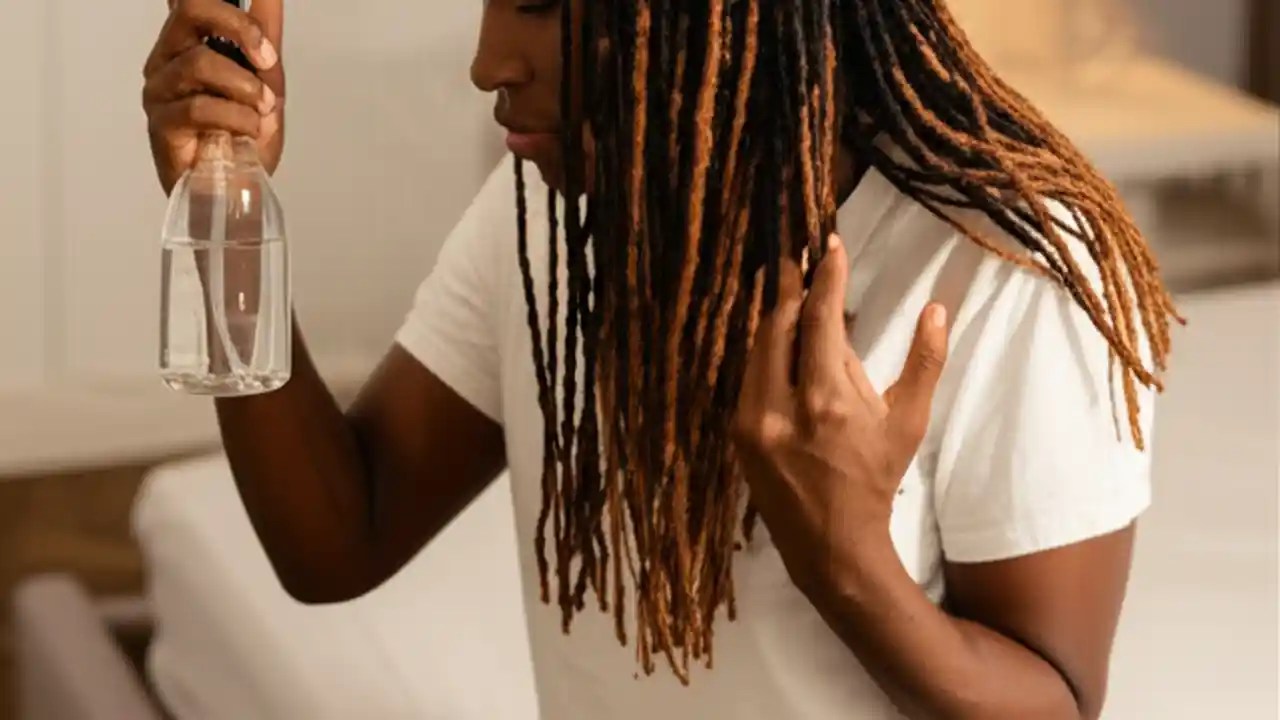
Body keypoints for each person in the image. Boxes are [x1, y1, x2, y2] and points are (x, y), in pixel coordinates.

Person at [140, 1, 1177, 718]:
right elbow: (336, 539)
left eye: (540, 5)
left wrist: (845, 559)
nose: (487, 60)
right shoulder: (546, 213)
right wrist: (224, 212)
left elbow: (1055, 701)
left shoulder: (1003, 265)